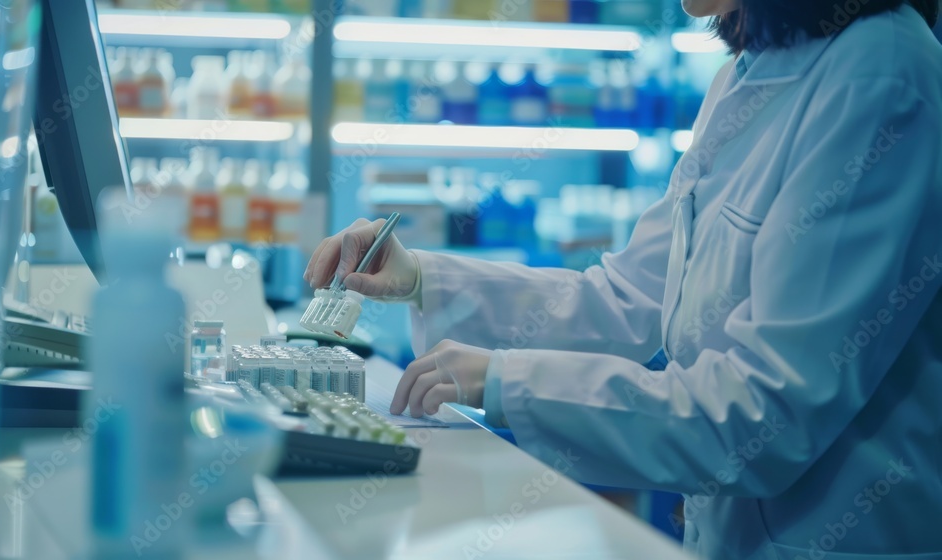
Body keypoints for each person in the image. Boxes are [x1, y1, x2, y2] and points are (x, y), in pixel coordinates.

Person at [306, 1, 942, 558]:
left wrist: (508, 380)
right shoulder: (746, 73)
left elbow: (763, 413)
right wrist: (422, 277)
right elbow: (629, 297)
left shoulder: (879, 75)